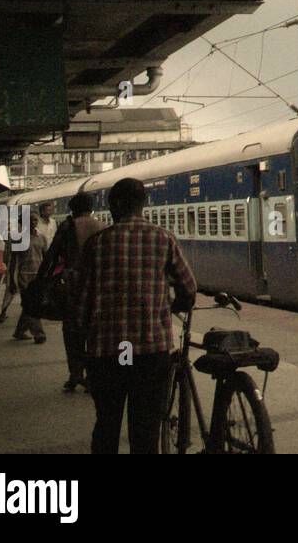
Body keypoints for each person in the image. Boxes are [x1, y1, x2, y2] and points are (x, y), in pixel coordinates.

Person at [74, 178, 196, 454]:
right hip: (150, 353)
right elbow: (189, 288)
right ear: (143, 204)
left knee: (107, 425)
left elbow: (82, 304)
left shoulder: (97, 243)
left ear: (115, 205)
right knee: (145, 430)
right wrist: (176, 306)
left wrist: (82, 346)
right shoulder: (163, 238)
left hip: (109, 353)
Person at [39, 192, 104, 392]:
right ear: (91, 208)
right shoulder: (102, 226)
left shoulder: (67, 227)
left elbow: (52, 255)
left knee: (71, 332)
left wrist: (42, 279)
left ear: (72, 209)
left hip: (72, 287)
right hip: (98, 288)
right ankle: (93, 376)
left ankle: (75, 374)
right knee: (93, 332)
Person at [11, 202, 54, 343]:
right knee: (32, 304)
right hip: (24, 276)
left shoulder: (41, 238)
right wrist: (12, 279)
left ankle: (19, 331)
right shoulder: (18, 238)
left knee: (30, 305)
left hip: (38, 275)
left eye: (35, 220)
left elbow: (46, 256)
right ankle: (39, 334)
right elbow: (13, 260)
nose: (33, 222)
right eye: (30, 220)